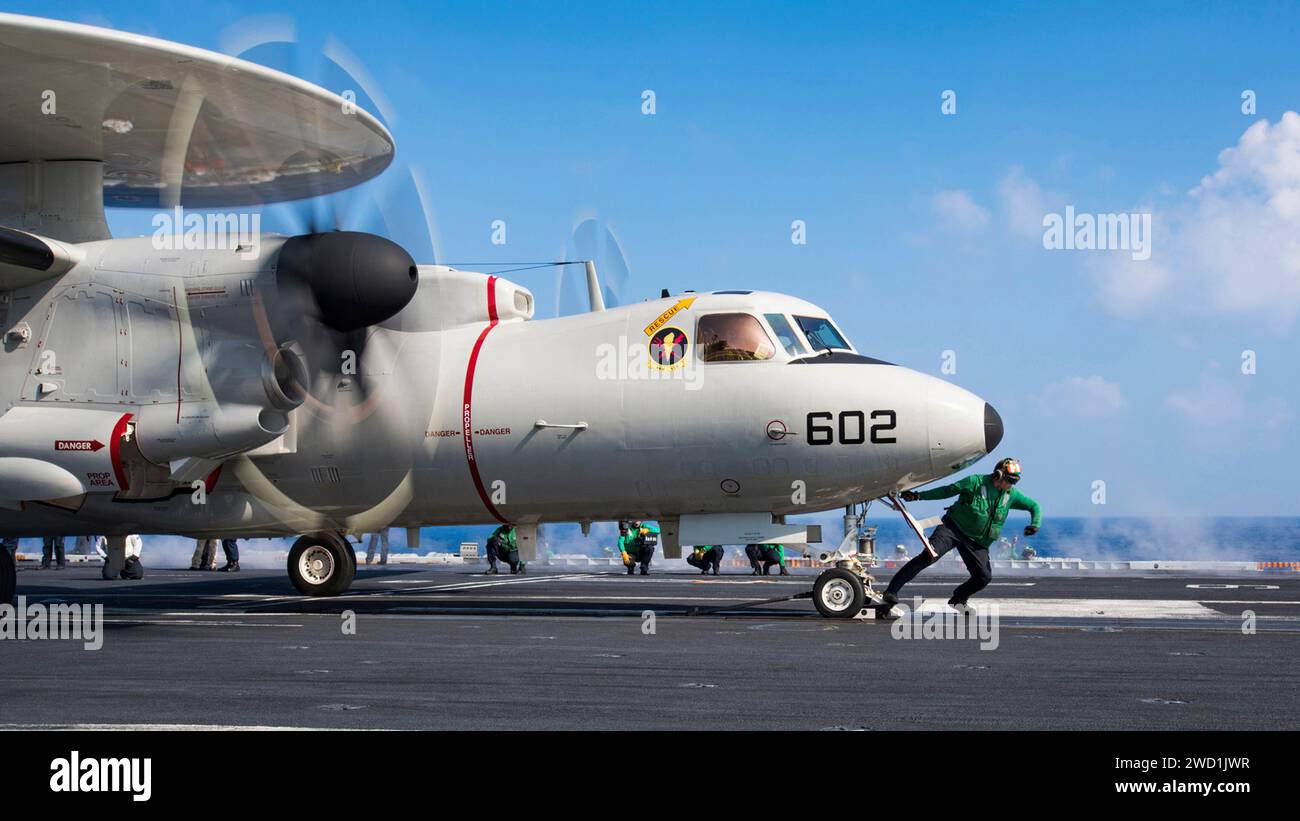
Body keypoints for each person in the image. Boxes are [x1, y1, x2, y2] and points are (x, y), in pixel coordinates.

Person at [880, 457, 1042, 614]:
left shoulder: (1011, 495)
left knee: (983, 577)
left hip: (977, 542)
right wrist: (919, 496)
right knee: (929, 556)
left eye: (1015, 481)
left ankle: (959, 599)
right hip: (952, 529)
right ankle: (891, 591)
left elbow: (1034, 506)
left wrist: (1035, 524)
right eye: (1010, 480)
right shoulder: (974, 482)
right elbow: (947, 490)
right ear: (998, 475)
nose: (1012, 485)